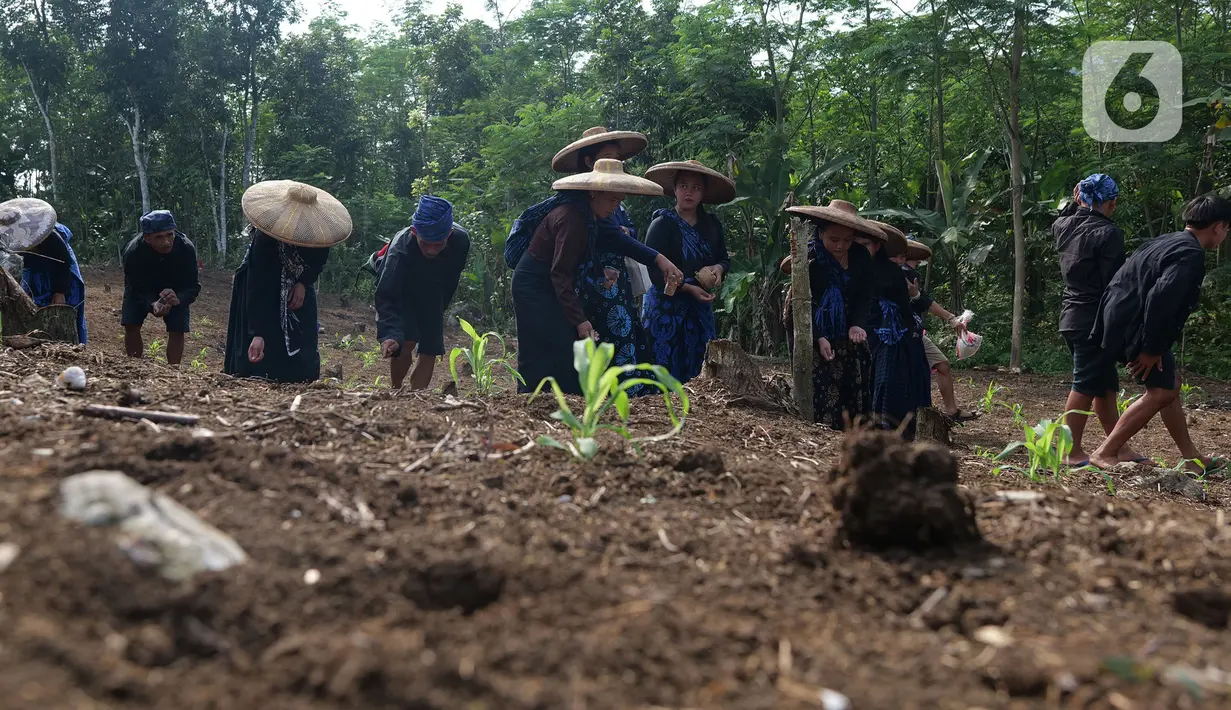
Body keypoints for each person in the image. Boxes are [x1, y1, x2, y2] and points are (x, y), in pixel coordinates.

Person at [511, 159, 683, 395]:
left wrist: (601, 273)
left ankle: (561, 399)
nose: (615, 207)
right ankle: (529, 399)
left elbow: (595, 250)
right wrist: (580, 321)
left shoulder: (589, 215)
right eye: (612, 199)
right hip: (534, 285)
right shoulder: (571, 218)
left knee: (564, 343)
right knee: (544, 342)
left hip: (552, 282)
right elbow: (560, 273)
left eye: (619, 201)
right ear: (593, 191)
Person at [1088, 194, 1231, 472]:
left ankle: (1191, 459)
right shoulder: (1190, 255)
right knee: (1163, 390)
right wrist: (1151, 349)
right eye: (1227, 230)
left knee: (1170, 383)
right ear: (1218, 227)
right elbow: (1161, 299)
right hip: (1135, 324)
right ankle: (1106, 451)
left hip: (1120, 317)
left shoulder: (1168, 241)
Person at [1053, 173, 1149, 465]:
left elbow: (1071, 211)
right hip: (1094, 320)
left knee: (1105, 387)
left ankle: (1119, 447)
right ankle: (1071, 452)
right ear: (1112, 203)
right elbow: (1115, 285)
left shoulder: (1062, 226)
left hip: (1072, 315)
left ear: (1079, 197)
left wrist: (1076, 200)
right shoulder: (1109, 234)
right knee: (1084, 383)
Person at [224, 180, 352, 383]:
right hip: (263, 286)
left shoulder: (319, 233)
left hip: (300, 284)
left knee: (304, 337)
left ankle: (300, 377)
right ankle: (259, 373)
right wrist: (258, 333)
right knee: (264, 337)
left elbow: (318, 262)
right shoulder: (266, 238)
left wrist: (302, 283)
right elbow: (259, 283)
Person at [551, 127, 655, 370]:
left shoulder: (613, 202)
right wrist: (657, 258)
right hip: (594, 287)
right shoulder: (579, 207)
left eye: (617, 159)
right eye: (606, 157)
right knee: (602, 341)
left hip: (618, 283)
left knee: (625, 336)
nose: (614, 163)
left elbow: (628, 232)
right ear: (589, 162)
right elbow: (613, 237)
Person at [781, 200, 878, 429]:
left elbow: (865, 294)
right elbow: (802, 299)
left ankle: (853, 430)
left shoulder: (861, 256)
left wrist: (857, 324)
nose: (840, 246)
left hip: (847, 326)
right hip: (810, 324)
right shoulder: (810, 256)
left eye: (847, 240)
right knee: (818, 379)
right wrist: (819, 336)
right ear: (821, 233)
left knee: (855, 373)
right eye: (834, 239)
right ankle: (815, 428)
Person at [640, 160, 735, 383]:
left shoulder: (712, 225)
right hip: (665, 307)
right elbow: (652, 271)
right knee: (662, 368)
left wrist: (719, 269)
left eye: (695, 188)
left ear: (703, 193)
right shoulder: (662, 224)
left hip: (698, 307)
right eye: (683, 186)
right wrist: (687, 287)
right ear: (674, 189)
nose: (688, 193)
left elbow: (723, 259)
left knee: (698, 366)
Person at [375, 196, 470, 390]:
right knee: (404, 342)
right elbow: (386, 294)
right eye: (426, 243)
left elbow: (451, 279)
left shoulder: (460, 242)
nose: (432, 250)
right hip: (402, 292)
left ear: (449, 234)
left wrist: (437, 309)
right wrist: (390, 333)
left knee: (431, 348)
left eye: (439, 243)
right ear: (414, 232)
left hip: (433, 290)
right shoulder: (398, 253)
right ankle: (396, 390)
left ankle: (418, 398)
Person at [854, 215, 931, 438]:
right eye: (857, 243)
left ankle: (886, 428)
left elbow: (905, 309)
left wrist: (909, 333)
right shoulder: (848, 267)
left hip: (888, 334)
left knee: (886, 380)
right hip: (856, 331)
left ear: (878, 245)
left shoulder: (892, 272)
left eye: (866, 244)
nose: (860, 248)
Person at [892, 235, 978, 422]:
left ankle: (951, 411)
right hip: (897, 332)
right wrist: (951, 318)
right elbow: (925, 302)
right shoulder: (897, 272)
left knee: (942, 364)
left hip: (914, 331)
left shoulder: (911, 274)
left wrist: (951, 318)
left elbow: (925, 301)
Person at [0, 198, 87, 344]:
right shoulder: (5, 240)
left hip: (57, 270)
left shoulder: (52, 238)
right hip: (30, 271)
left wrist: (60, 291)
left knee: (62, 308)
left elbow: (63, 263)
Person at [121, 210, 200, 365]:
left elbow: (192, 285)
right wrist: (152, 302)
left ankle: (173, 370)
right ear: (147, 238)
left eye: (170, 235)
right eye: (159, 237)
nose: (166, 242)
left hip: (175, 288)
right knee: (131, 324)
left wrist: (179, 299)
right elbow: (136, 286)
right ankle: (134, 366)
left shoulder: (186, 249)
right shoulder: (133, 252)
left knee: (178, 328)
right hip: (142, 287)